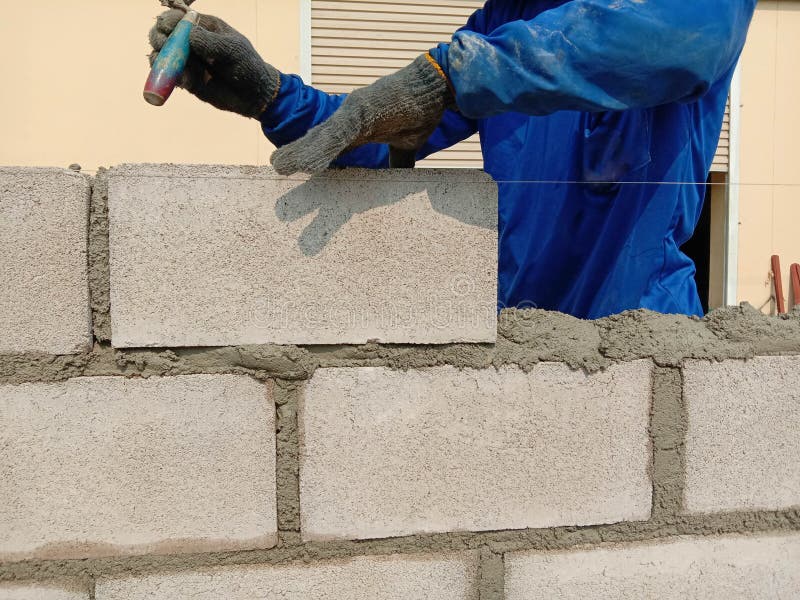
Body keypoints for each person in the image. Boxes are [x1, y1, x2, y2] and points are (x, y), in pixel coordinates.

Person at [149, 0, 756, 319]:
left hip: (643, 340)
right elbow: (378, 133)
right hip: (527, 348)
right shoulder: (507, 17)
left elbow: (683, 46)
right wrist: (271, 96)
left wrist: (461, 74)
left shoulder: (687, 5)